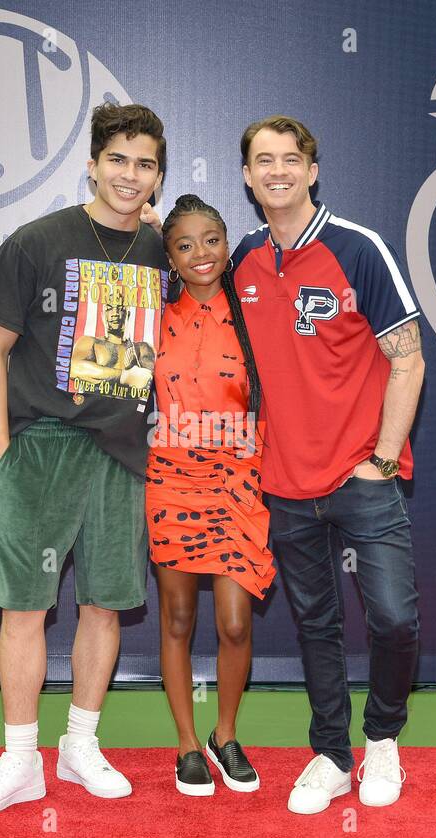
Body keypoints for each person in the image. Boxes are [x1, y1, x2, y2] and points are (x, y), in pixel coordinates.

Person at [0, 103, 169, 817]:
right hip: (41, 446)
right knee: (24, 608)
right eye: (118, 160)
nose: (129, 176)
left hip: (122, 455)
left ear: (159, 176)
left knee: (104, 605)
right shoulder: (37, 242)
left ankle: (79, 746)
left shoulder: (162, 251)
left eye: (144, 165)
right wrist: (1, 450)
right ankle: (19, 761)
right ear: (94, 162)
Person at [231, 115, 426, 815]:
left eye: (291, 159)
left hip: (361, 477)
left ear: (312, 170)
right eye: (263, 160)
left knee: (395, 619)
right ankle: (331, 754)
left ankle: (382, 741)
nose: (277, 171)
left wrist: (380, 458)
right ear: (248, 178)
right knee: (315, 624)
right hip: (283, 480)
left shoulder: (358, 248)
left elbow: (408, 358)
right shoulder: (243, 261)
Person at [149, 194, 276, 796]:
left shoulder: (255, 314)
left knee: (232, 623)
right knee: (177, 617)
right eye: (184, 244)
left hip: (236, 482)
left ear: (229, 245)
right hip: (170, 476)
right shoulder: (153, 317)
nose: (200, 253)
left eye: (211, 239)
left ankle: (226, 735)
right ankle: (185, 744)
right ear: (169, 258)